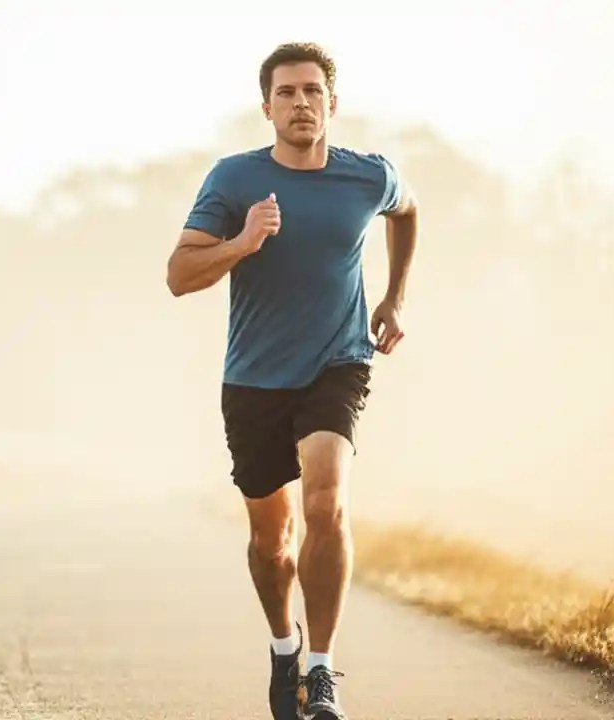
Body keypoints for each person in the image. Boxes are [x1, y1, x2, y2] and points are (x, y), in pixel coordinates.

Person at [165, 42, 419, 720]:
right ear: (267, 108)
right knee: (269, 542)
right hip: (253, 379)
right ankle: (284, 646)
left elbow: (407, 210)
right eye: (287, 93)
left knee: (325, 503)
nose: (301, 103)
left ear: (332, 104)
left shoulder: (368, 176)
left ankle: (322, 668)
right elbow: (178, 276)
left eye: (313, 91)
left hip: (338, 365)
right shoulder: (234, 180)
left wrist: (394, 297)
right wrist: (242, 243)